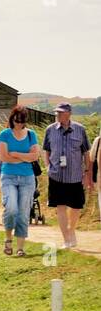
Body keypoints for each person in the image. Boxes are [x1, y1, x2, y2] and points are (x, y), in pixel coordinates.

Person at [42, 102, 90, 250]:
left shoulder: (80, 129)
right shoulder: (50, 130)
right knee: (60, 207)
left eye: (60, 113)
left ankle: (71, 230)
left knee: (76, 207)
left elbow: (86, 153)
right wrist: (48, 166)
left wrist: (86, 173)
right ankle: (66, 239)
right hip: (56, 175)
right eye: (56, 113)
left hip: (75, 175)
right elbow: (46, 151)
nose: (57, 115)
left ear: (69, 113)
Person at [0, 106, 40, 257]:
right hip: (8, 176)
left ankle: (20, 247)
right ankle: (8, 239)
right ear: (12, 119)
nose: (18, 124)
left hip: (27, 178)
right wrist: (24, 157)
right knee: (11, 208)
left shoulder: (31, 135)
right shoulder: (5, 134)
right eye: (16, 120)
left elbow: (35, 156)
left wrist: (15, 154)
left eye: (21, 121)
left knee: (23, 213)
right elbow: (3, 157)